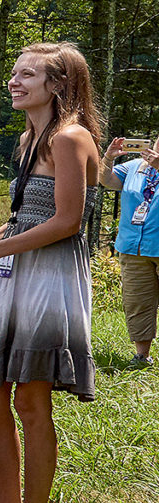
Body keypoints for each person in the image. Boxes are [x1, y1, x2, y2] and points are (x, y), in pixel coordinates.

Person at [0, 42, 106, 503]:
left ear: (57, 85)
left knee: (31, 401)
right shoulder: (30, 138)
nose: (14, 80)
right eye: (13, 72)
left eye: (26, 74)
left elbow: (67, 222)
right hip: (14, 270)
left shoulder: (70, 138)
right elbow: (21, 218)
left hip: (50, 278)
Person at [105, 135, 159, 366]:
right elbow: (107, 181)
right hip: (133, 246)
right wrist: (108, 157)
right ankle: (141, 356)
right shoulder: (134, 167)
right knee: (138, 301)